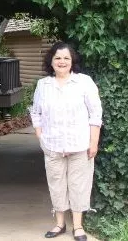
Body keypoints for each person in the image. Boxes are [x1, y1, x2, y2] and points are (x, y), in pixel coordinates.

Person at [29, 41, 102, 241]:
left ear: (72, 61)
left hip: (80, 145)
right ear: (51, 61)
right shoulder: (43, 85)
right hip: (52, 145)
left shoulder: (84, 82)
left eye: (66, 58)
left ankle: (78, 227)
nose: (62, 62)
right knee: (56, 184)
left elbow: (95, 114)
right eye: (58, 58)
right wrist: (40, 136)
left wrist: (93, 142)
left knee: (79, 185)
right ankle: (60, 224)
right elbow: (36, 112)